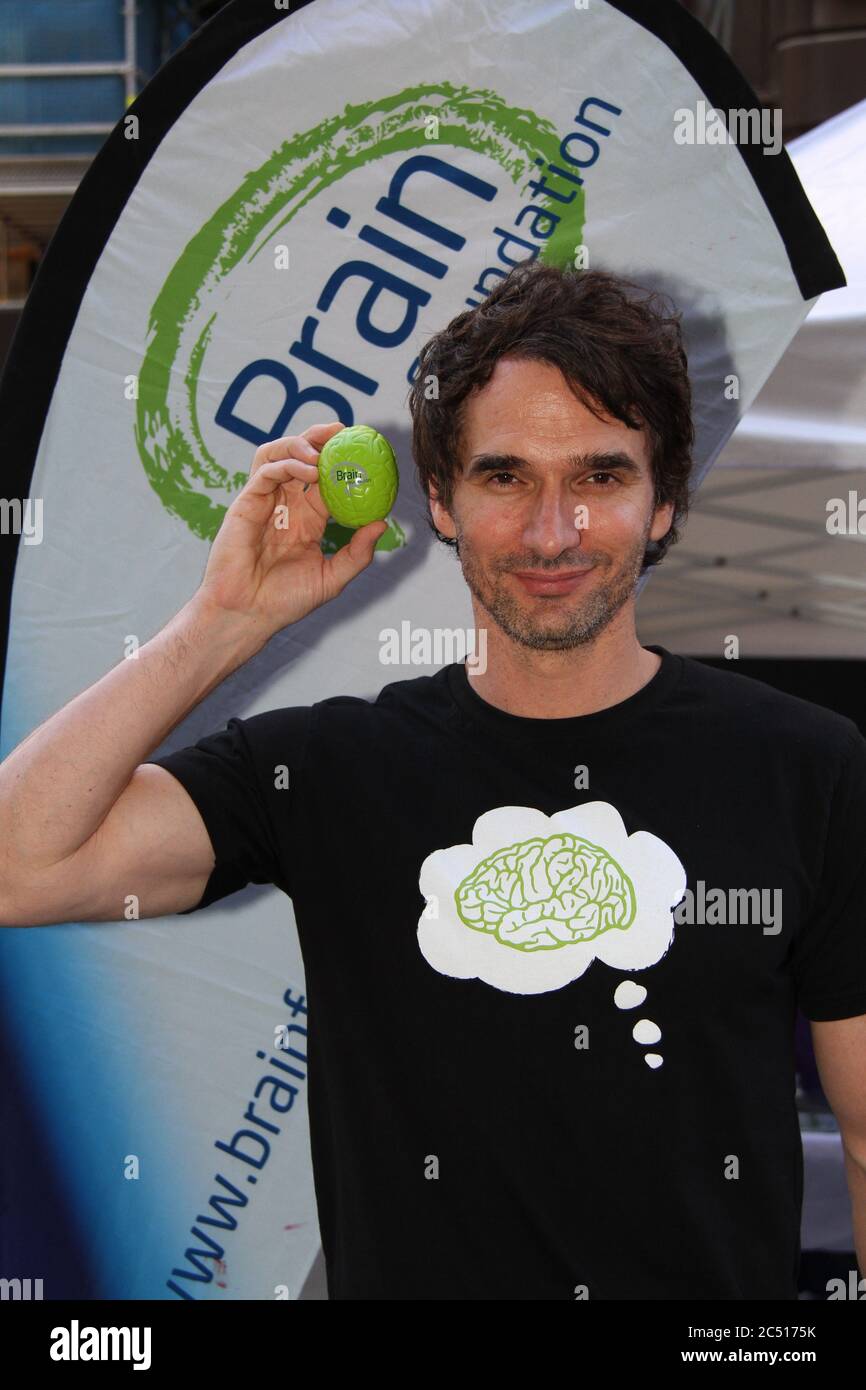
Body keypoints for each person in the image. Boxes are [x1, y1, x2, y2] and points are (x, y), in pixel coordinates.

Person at [1, 261, 865, 1301]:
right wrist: (223, 622)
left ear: (664, 500)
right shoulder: (322, 771)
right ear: (444, 501)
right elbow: (18, 864)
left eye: (597, 476)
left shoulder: (806, 768)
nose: (552, 532)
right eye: (505, 477)